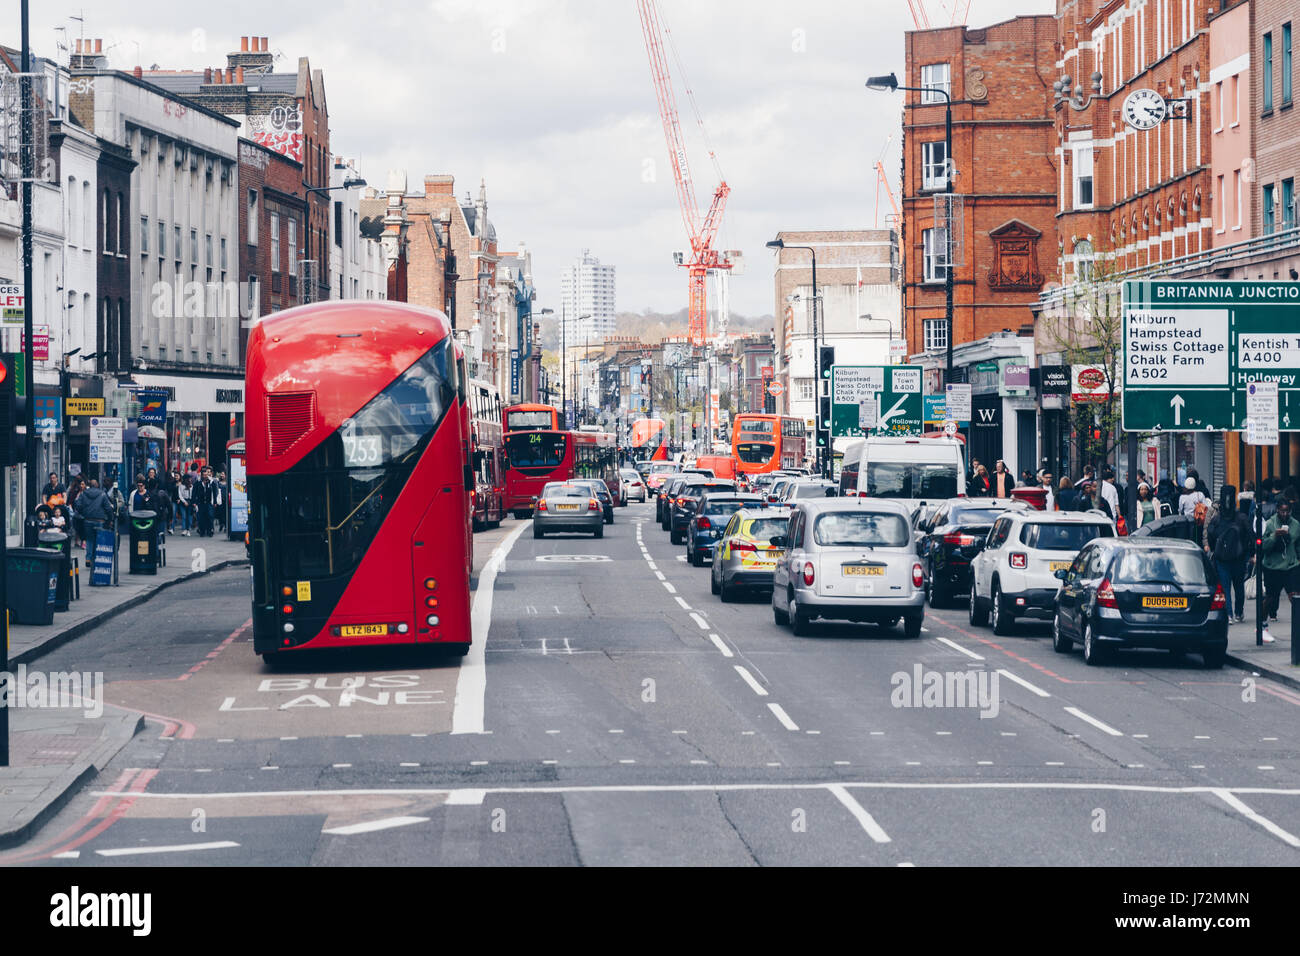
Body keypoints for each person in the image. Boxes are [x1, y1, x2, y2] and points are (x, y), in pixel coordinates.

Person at [1261, 498, 1300, 628]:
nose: (1284, 514)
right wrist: (1274, 536)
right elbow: (1264, 546)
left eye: (1287, 511)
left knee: (1294, 596)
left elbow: (1296, 543)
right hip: (1273, 566)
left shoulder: (1295, 525)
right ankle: (1261, 623)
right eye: (1282, 511)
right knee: (1270, 597)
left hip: (1290, 565)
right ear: (1277, 510)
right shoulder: (1270, 523)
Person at [1205, 485, 1241, 622]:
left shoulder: (1216, 518)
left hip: (1222, 557)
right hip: (1238, 557)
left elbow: (1210, 533)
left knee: (1225, 586)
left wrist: (1213, 548)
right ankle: (1238, 612)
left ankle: (1229, 614)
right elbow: (1248, 534)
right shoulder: (1240, 517)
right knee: (1238, 586)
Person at [195, 467, 215, 537]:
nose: (205, 476)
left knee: (210, 516)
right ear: (201, 475)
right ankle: (202, 531)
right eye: (203, 475)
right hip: (201, 502)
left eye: (206, 475)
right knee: (201, 517)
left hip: (209, 502)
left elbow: (215, 492)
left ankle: (210, 530)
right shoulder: (198, 482)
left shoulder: (211, 482)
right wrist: (194, 502)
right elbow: (194, 492)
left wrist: (215, 502)